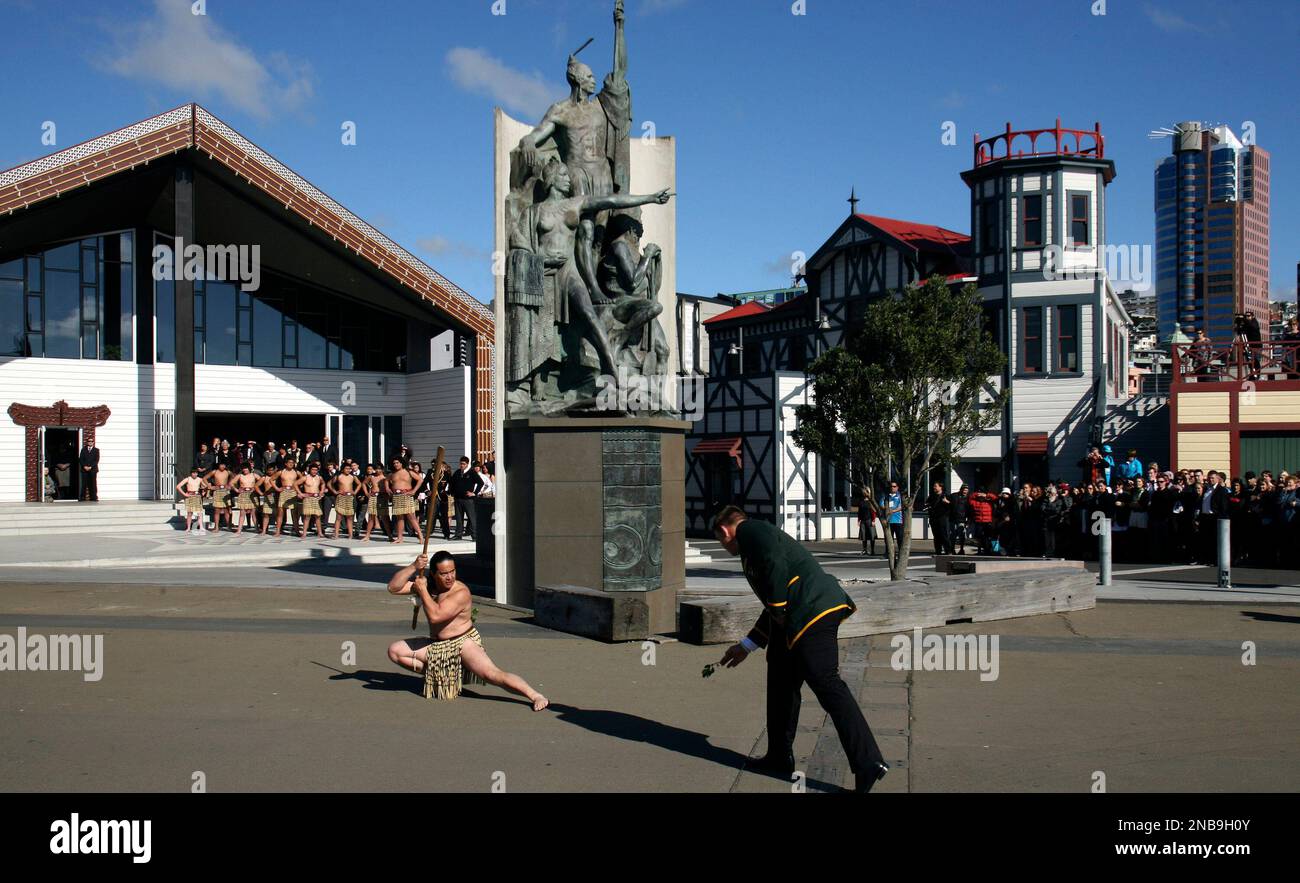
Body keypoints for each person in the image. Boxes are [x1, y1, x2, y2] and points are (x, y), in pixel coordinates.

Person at [712, 506, 890, 793]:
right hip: (798, 617)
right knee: (781, 677)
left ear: (724, 530)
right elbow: (773, 600)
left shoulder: (750, 531)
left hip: (812, 614)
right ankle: (779, 756)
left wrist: (780, 609)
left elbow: (775, 570)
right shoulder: (754, 539)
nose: (724, 545)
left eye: (721, 540)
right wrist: (747, 645)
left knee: (827, 683)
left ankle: (868, 762)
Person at [386, 552, 548, 710]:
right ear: (434, 574)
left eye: (452, 571)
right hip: (438, 645)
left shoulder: (460, 592)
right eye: (444, 574)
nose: (450, 577)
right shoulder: (429, 586)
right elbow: (393, 587)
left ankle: (535, 695)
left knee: (493, 675)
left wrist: (422, 591)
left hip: (463, 643)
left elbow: (436, 616)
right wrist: (413, 566)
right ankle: (446, 673)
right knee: (395, 651)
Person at [387, 457, 424, 544]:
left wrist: (414, 491)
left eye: (397, 462)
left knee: (411, 517)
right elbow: (386, 480)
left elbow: (420, 480)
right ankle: (400, 537)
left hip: (407, 495)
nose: (396, 464)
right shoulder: (392, 474)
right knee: (399, 517)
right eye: (394, 463)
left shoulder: (409, 472)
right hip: (396, 496)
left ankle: (421, 536)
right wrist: (387, 488)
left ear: (401, 463)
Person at [448, 456, 485, 541]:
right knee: (459, 518)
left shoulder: (472, 472)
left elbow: (480, 483)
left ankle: (475, 536)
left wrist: (474, 493)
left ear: (467, 464)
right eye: (460, 463)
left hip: (468, 499)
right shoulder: (457, 472)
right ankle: (458, 535)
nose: (461, 465)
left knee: (472, 518)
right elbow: (452, 483)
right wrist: (452, 492)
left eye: (463, 464)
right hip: (458, 498)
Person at [296, 462, 328, 539]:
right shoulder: (305, 477)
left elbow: (323, 484)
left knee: (318, 516)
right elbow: (295, 484)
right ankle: (304, 533)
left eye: (316, 470)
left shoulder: (319, 477)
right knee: (307, 516)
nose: (314, 471)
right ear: (310, 470)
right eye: (313, 470)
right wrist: (301, 493)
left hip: (316, 498)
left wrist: (321, 491)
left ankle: (320, 533)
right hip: (307, 497)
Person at [330, 462, 360, 540]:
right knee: (339, 517)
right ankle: (336, 534)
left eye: (349, 468)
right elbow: (329, 484)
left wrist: (355, 492)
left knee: (350, 517)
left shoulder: (352, 476)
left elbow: (359, 484)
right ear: (343, 469)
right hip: (341, 497)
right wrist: (335, 492)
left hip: (350, 497)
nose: (348, 470)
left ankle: (350, 535)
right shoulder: (338, 476)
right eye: (346, 468)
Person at [273, 459, 302, 537]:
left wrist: (299, 491)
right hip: (284, 491)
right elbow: (271, 479)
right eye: (289, 462)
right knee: (280, 513)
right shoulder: (281, 472)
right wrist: (277, 488)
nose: (291, 464)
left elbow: (302, 480)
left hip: (293, 492)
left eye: (292, 462)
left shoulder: (296, 472)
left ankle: (297, 531)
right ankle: (278, 531)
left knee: (294, 514)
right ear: (286, 463)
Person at [879, 481, 903, 563]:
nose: (892, 488)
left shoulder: (900, 496)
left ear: (897, 487)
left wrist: (893, 510)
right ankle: (888, 553)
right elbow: (881, 504)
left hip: (898, 520)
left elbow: (902, 506)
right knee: (888, 538)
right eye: (891, 486)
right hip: (888, 520)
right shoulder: (885, 495)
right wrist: (887, 509)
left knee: (900, 538)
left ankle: (901, 553)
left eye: (894, 486)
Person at [926, 482, 953, 556]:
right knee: (936, 536)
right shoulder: (931, 496)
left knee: (944, 535)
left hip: (943, 518)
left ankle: (948, 551)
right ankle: (938, 551)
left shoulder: (946, 496)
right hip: (933, 518)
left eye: (935, 486)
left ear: (941, 487)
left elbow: (953, 507)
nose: (934, 487)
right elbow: (927, 504)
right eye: (934, 486)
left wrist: (947, 502)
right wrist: (928, 507)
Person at [206, 462, 234, 533]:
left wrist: (230, 485)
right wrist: (210, 486)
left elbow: (234, 478)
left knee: (226, 510)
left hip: (225, 491)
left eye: (224, 465)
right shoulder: (214, 472)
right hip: (217, 491)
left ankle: (229, 526)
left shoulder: (228, 472)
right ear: (218, 465)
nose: (222, 466)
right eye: (221, 465)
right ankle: (216, 527)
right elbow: (204, 478)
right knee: (217, 510)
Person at [232, 464, 259, 535]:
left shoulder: (254, 475)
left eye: (246, 468)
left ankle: (257, 528)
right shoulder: (240, 476)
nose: (245, 470)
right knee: (242, 513)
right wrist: (236, 490)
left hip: (252, 494)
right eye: (243, 468)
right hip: (243, 494)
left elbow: (261, 480)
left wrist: (256, 488)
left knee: (253, 513)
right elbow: (231, 483)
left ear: (249, 468)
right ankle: (239, 530)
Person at [176, 468, 205, 533]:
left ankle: (201, 527)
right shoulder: (188, 479)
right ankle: (188, 527)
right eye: (193, 473)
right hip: (189, 496)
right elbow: (178, 486)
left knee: (199, 512)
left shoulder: (200, 479)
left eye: (196, 473)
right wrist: (184, 494)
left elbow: (205, 486)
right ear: (191, 473)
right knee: (189, 513)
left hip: (197, 496)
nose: (195, 474)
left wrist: (203, 491)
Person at [78, 437, 100, 502]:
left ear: (93, 442)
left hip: (93, 469)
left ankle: (94, 497)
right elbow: (81, 459)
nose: (90, 442)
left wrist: (90, 467)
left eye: (91, 441)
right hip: (84, 470)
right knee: (84, 484)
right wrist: (84, 466)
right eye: (89, 441)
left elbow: (96, 460)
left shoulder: (96, 450)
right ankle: (82, 497)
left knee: (93, 484)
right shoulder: (83, 449)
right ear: (87, 442)